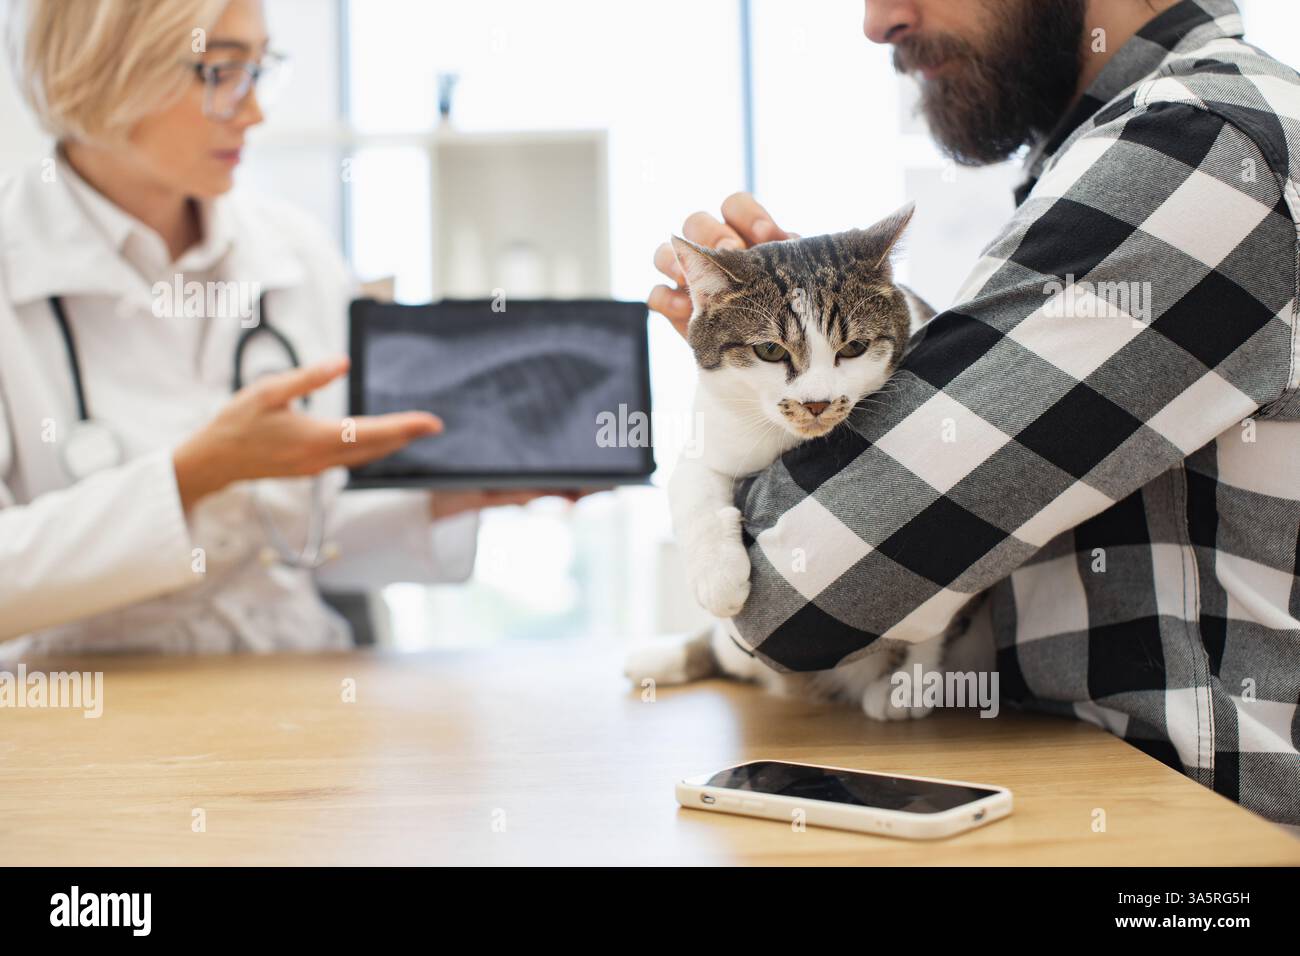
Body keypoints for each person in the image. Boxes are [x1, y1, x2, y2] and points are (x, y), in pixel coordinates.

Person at [650, 0, 1300, 825]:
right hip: (1079, 800)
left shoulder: (1196, 150)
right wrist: (797, 330)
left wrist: (762, 413)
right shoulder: (1120, 151)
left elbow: (794, 593)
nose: (878, 21)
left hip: (1195, 844)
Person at [0, 0, 563, 656]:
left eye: (259, 70)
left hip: (296, 699)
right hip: (86, 725)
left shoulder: (294, 252)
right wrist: (193, 474)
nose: (255, 109)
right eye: (219, 71)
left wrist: (454, 498)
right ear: (100, 64)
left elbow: (299, 545)